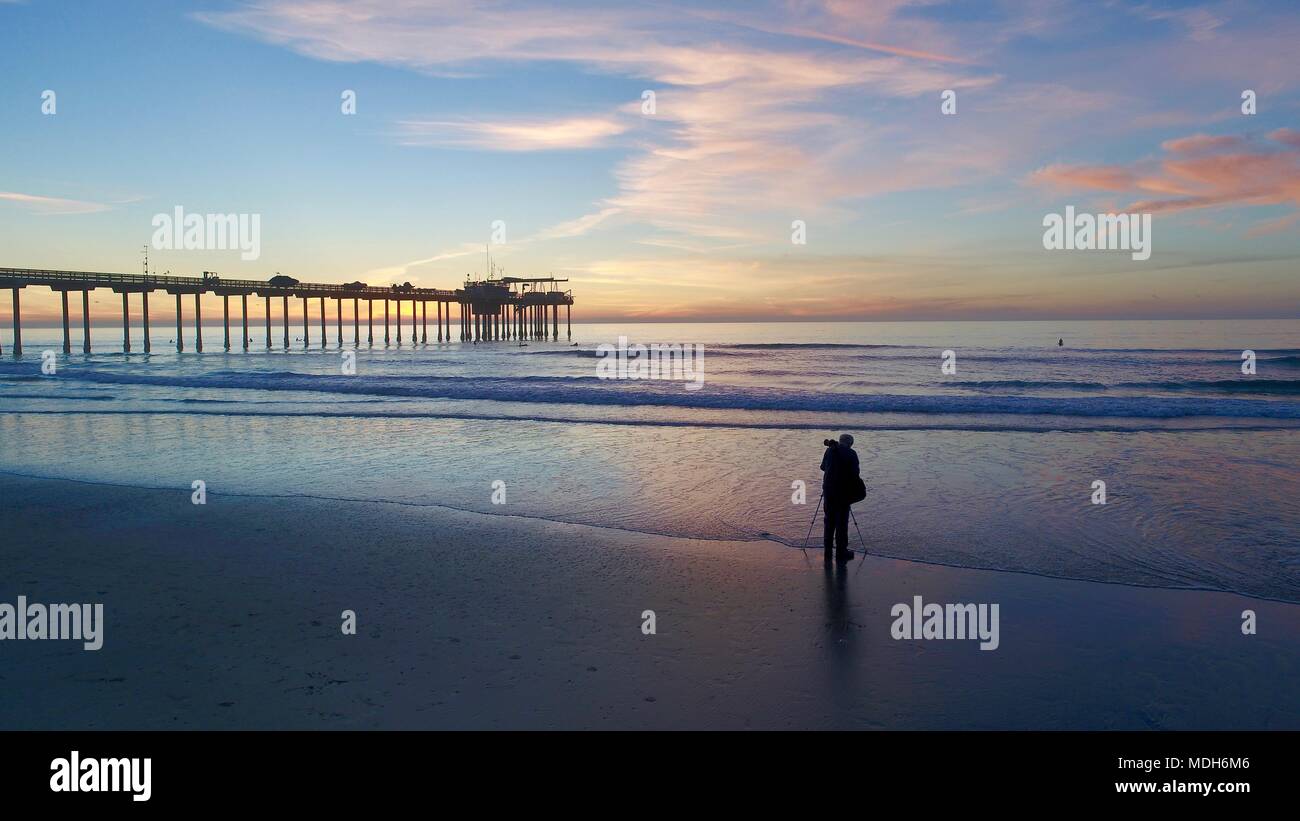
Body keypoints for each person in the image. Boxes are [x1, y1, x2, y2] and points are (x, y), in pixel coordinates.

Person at [820, 433, 860, 562]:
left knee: (829, 520)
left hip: (828, 490)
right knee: (841, 523)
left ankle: (827, 551)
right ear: (850, 443)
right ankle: (841, 552)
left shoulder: (829, 450)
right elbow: (855, 474)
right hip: (843, 492)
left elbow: (822, 467)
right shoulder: (851, 453)